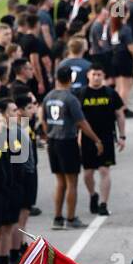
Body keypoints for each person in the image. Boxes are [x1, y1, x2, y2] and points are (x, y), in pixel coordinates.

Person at [40, 69, 103, 230]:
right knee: (71, 182)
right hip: (67, 142)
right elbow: (81, 122)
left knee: (60, 181)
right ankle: (71, 217)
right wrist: (96, 139)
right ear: (71, 78)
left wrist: (49, 134)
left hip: (53, 142)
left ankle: (57, 217)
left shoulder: (48, 97)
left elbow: (43, 120)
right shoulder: (70, 99)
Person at [78, 63, 125, 217]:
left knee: (104, 170)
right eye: (94, 74)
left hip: (106, 137)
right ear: (88, 76)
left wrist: (122, 136)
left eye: (99, 74)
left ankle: (103, 203)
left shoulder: (110, 93)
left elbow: (119, 114)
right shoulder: (81, 93)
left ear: (103, 76)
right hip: (86, 138)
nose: (96, 77)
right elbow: (76, 118)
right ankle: (93, 195)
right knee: (88, 173)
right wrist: (77, 136)